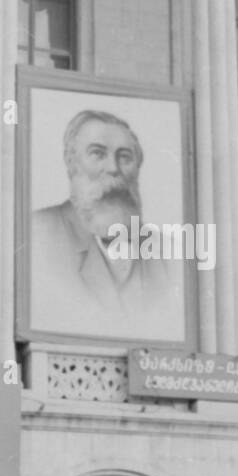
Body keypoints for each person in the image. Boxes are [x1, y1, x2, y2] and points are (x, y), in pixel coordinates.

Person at [28, 109, 179, 340]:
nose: (113, 168)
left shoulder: (168, 253)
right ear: (71, 163)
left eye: (124, 157)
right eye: (98, 154)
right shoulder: (36, 234)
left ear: (137, 167)